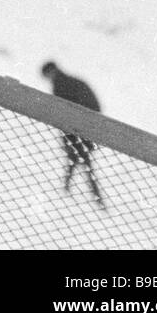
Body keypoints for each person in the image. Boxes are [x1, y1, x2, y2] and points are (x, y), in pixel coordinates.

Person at [40, 60, 104, 207]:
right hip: (87, 127)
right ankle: (70, 190)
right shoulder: (70, 81)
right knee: (78, 160)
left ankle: (91, 196)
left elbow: (65, 111)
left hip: (80, 129)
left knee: (80, 160)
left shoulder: (61, 85)